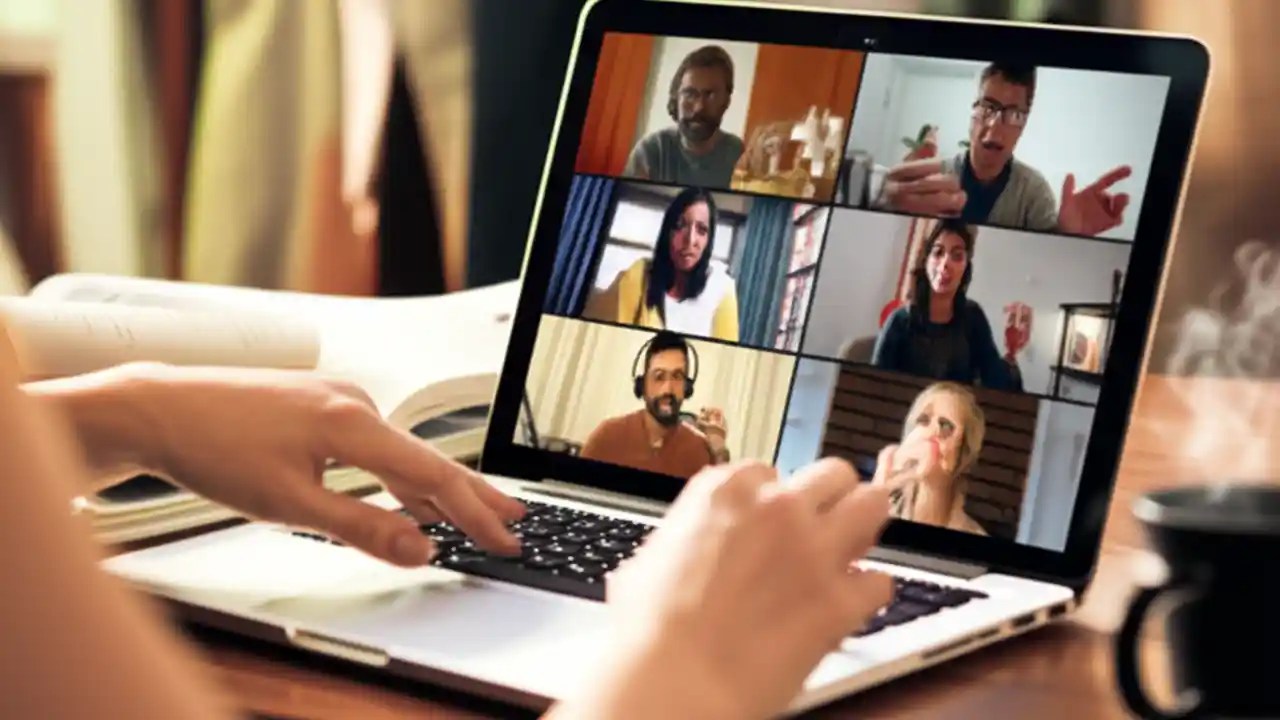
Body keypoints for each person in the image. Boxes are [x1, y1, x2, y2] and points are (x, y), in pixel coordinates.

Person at [0, 316, 894, 719]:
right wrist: (682, 676)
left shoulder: (704, 449)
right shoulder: (608, 435)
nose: (668, 387)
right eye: (656, 374)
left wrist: (128, 412)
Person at [875, 62, 1132, 237]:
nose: (995, 127)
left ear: (1024, 126)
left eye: (1014, 115)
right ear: (972, 114)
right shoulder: (929, 177)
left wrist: (1067, 235)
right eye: (987, 108)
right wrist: (881, 204)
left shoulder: (1034, 193)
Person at [871, 219, 1020, 391]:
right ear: (926, 260)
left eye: (957, 256)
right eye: (938, 253)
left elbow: (996, 383)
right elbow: (876, 386)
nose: (945, 264)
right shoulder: (899, 321)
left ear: (966, 267)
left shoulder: (973, 317)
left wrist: (1012, 350)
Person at [583, 187, 740, 341]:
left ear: (709, 240)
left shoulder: (721, 289)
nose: (690, 240)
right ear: (667, 232)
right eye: (680, 225)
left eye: (702, 230)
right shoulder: (638, 276)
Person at [580, 330, 729, 479]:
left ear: (687, 387)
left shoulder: (699, 451)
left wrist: (719, 448)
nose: (668, 389)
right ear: (642, 385)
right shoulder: (607, 436)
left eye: (677, 377)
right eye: (659, 377)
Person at [871, 382, 989, 536]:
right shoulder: (882, 505)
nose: (932, 432)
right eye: (923, 420)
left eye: (946, 426)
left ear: (965, 453)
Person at [622, 45, 745, 188]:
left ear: (726, 101)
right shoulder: (650, 152)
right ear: (676, 98)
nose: (699, 107)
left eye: (710, 95)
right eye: (690, 94)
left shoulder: (738, 155)